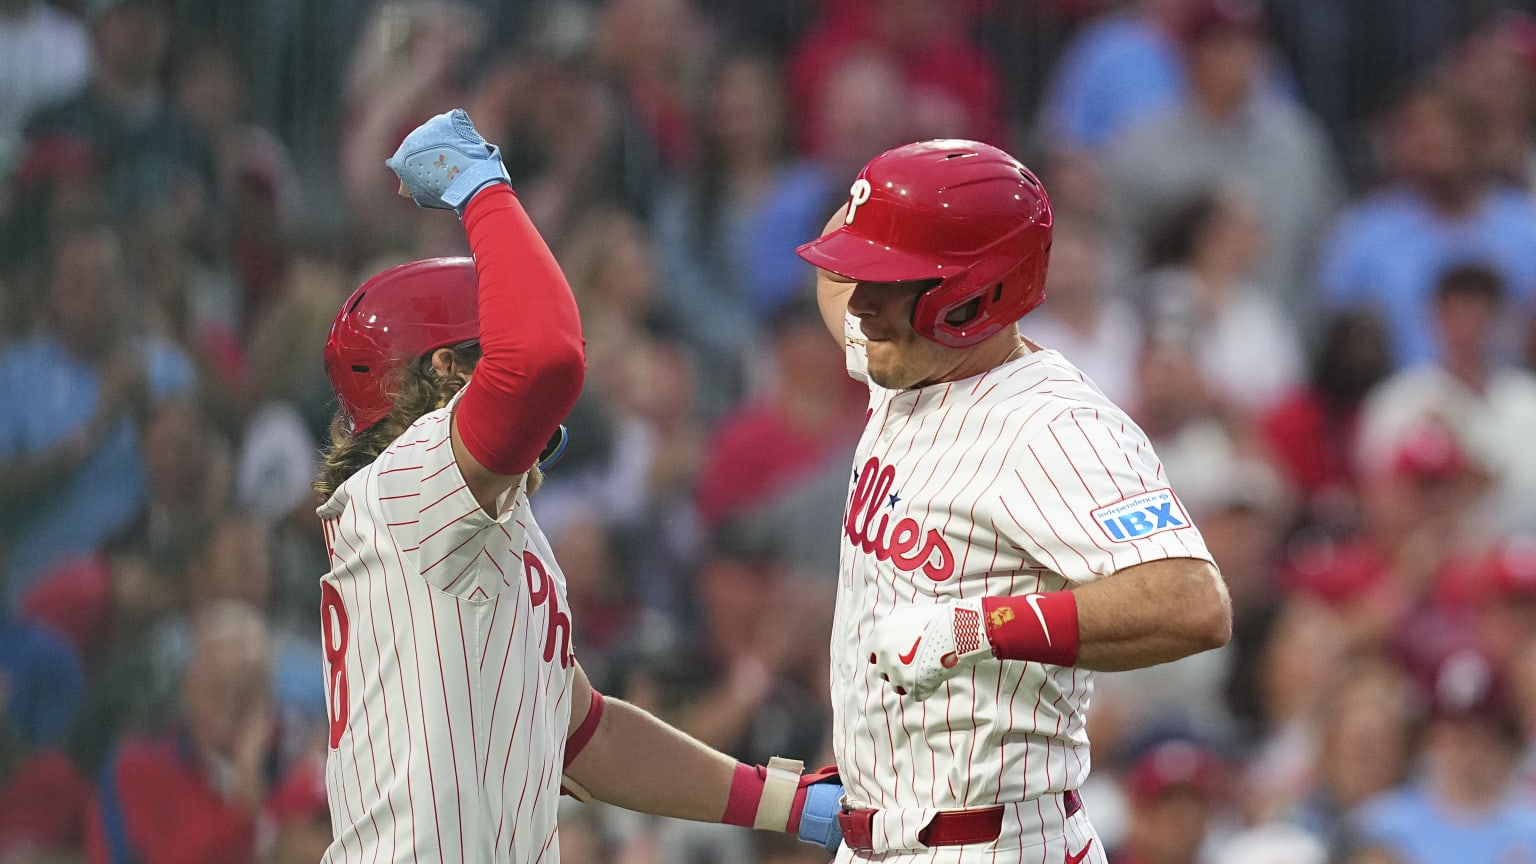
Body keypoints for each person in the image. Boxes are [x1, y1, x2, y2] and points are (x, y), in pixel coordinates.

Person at [313, 109, 842, 862]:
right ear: (444, 373)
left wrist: (785, 802)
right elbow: (544, 358)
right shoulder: (407, 483)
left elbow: (586, 737)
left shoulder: (477, 519)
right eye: (483, 353)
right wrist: (483, 190)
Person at [796, 139, 1232, 862]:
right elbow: (842, 293)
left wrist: (977, 628)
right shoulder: (903, 357)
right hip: (880, 837)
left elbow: (1192, 602)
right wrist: (891, 198)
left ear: (976, 295)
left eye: (891, 279)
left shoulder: (1055, 429)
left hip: (993, 841)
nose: (863, 306)